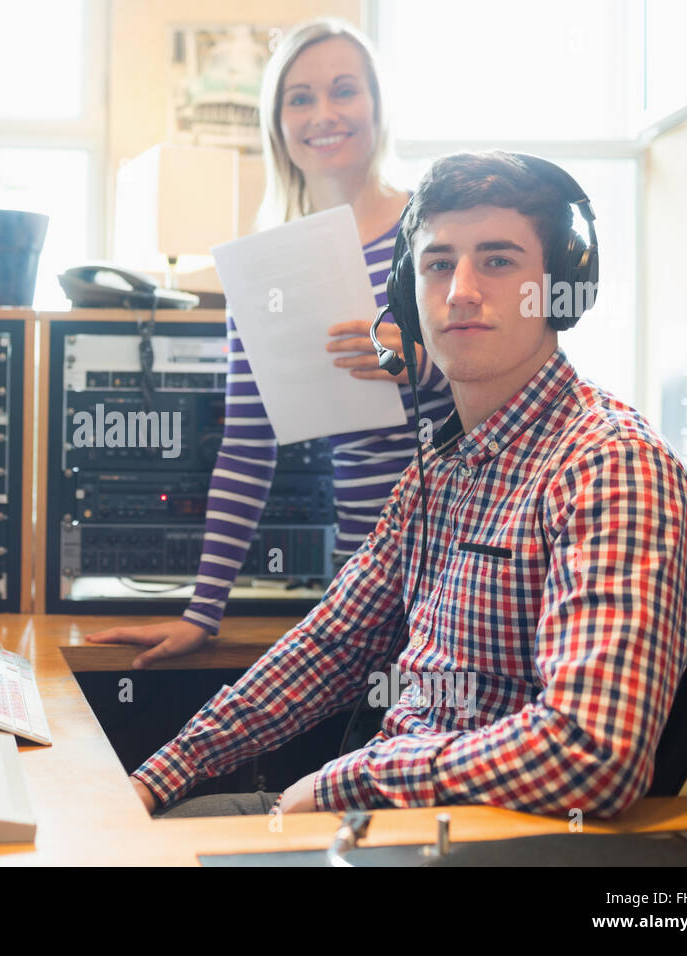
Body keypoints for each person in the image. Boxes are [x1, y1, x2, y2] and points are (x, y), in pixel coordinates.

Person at [130, 151, 687, 819]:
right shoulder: (439, 471)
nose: (460, 289)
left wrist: (346, 782)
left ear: (561, 289)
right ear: (409, 294)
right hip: (390, 815)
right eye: (438, 265)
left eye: (497, 260)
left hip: (476, 842)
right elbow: (332, 645)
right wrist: (158, 777)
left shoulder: (610, 468)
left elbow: (589, 751)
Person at [86, 18, 453, 671]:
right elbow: (247, 447)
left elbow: (512, 376)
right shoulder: (267, 267)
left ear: (377, 104)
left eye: (345, 90)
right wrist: (202, 613)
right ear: (278, 122)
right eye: (300, 98)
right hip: (365, 568)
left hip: (467, 556)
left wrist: (419, 367)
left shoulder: (436, 226)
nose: (325, 113)